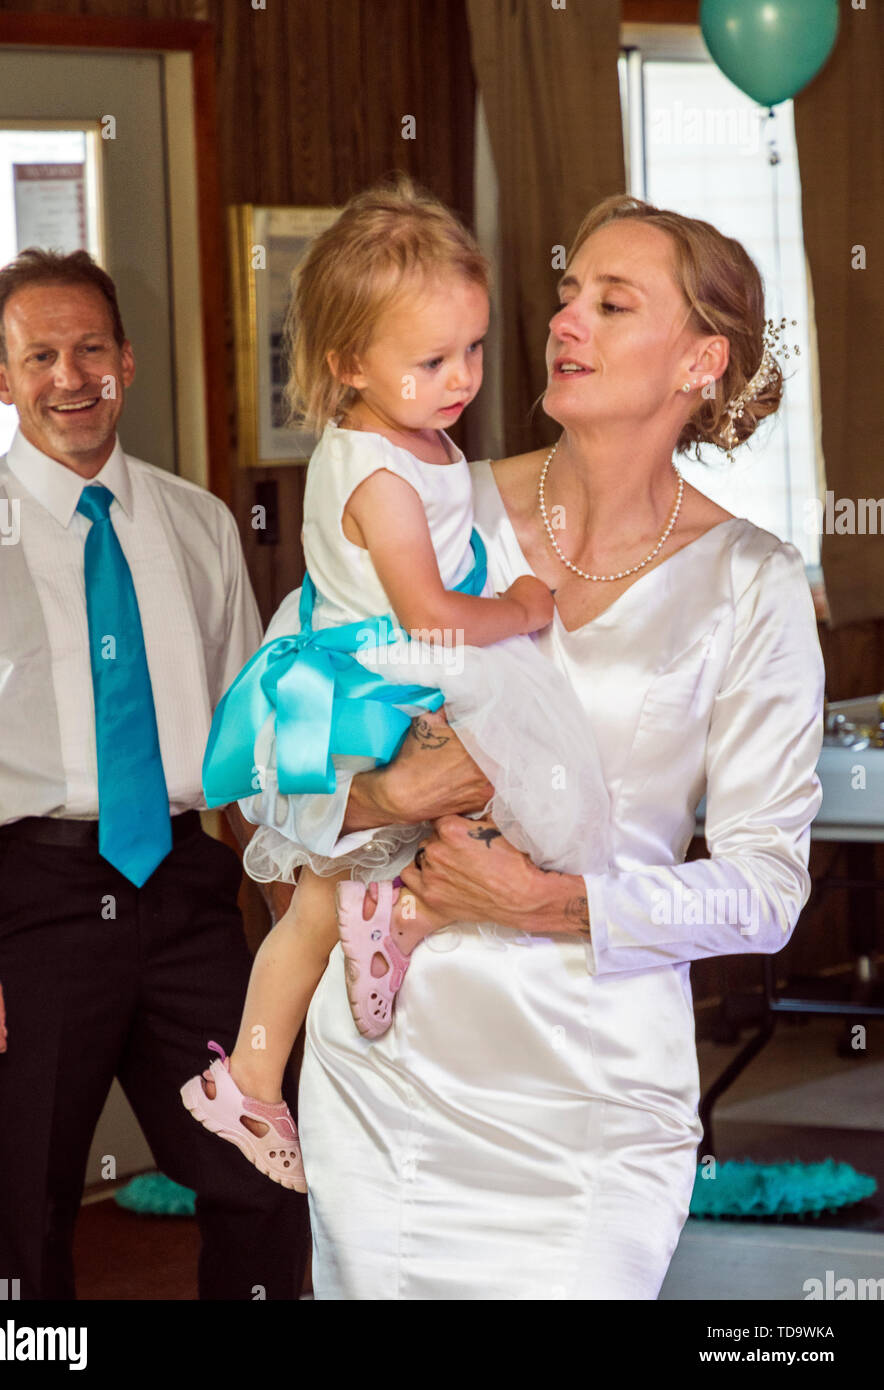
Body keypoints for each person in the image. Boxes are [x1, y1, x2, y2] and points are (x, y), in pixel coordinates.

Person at [246, 194, 825, 1299]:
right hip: (391, 1082)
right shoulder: (420, 498)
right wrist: (386, 795)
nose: (566, 321)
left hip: (597, 1101)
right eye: (567, 295)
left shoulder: (752, 584)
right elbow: (268, 774)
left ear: (701, 359)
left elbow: (766, 892)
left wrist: (547, 903)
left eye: (612, 303)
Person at [181, 178, 611, 1194]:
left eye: (470, 349)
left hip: (378, 668)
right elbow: (428, 609)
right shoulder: (377, 472)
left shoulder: (411, 438)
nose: (460, 376)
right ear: (346, 363)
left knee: (322, 906)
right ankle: (350, 969)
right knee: (513, 802)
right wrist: (519, 606)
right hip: (383, 681)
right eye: (430, 361)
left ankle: (270, 1048)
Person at [0, 249, 309, 1300]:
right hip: (30, 903)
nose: (71, 374)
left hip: (189, 894)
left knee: (263, 1172)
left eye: (91, 347)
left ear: (127, 361)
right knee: (24, 1220)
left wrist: (293, 916)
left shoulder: (196, 523)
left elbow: (248, 758)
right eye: (41, 354)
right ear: (2, 378)